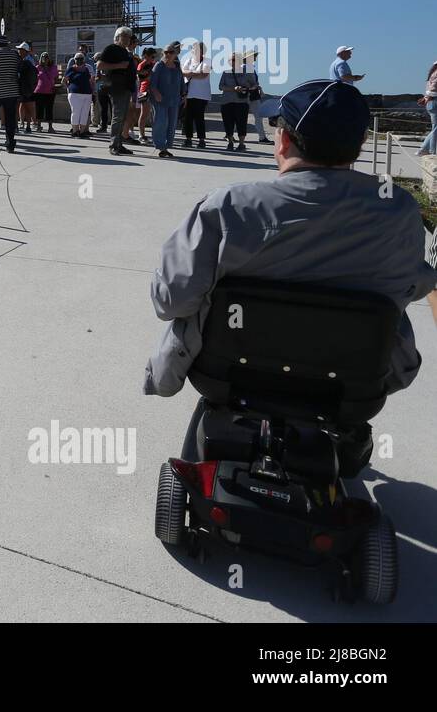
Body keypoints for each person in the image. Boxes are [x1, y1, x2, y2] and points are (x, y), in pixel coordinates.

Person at [143, 80, 437, 461]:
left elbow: (171, 299)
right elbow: (415, 285)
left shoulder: (230, 206)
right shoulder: (397, 209)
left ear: (283, 141)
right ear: (360, 144)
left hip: (227, 370)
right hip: (349, 379)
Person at [97, 27, 137, 155]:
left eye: (129, 37)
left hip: (126, 88)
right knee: (118, 116)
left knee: (123, 117)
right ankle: (113, 145)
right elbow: (99, 65)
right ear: (117, 36)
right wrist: (119, 66)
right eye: (124, 36)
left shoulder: (125, 52)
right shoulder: (112, 48)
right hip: (117, 87)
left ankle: (119, 144)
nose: (127, 39)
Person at [149, 41, 184, 158]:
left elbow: (181, 81)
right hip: (160, 99)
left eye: (171, 52)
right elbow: (152, 83)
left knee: (172, 123)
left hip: (174, 99)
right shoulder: (159, 65)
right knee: (161, 122)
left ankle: (167, 145)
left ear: (175, 54)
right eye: (166, 52)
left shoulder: (177, 66)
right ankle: (161, 146)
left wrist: (184, 94)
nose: (168, 54)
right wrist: (156, 93)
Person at [219, 56, 258, 151]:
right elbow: (221, 86)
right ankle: (230, 142)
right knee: (228, 123)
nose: (232, 62)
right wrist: (233, 89)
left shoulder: (247, 72)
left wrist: (246, 88)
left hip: (242, 102)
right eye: (231, 60)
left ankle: (241, 144)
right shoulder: (225, 72)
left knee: (241, 123)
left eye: (235, 60)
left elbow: (255, 84)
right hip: (227, 101)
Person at [180, 40, 212, 148]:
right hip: (189, 94)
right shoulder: (188, 60)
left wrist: (190, 74)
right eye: (194, 49)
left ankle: (201, 140)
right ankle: (188, 139)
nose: (195, 51)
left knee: (199, 117)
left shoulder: (207, 61)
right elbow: (182, 72)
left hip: (201, 95)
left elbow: (204, 74)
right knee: (187, 118)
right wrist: (195, 73)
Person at [64, 51, 95, 138]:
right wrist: (69, 88)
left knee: (85, 113)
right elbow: (64, 80)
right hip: (74, 94)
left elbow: (92, 81)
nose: (79, 60)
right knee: (76, 112)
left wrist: (93, 91)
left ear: (84, 60)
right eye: (77, 59)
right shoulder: (71, 69)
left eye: (81, 59)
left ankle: (82, 132)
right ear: (75, 60)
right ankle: (75, 131)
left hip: (87, 93)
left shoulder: (88, 69)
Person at [134, 47, 158, 144]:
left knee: (152, 114)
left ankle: (153, 134)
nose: (153, 58)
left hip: (152, 90)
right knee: (144, 113)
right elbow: (140, 78)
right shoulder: (142, 64)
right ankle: (141, 135)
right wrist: (149, 75)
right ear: (146, 56)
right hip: (143, 90)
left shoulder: (153, 64)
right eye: (152, 56)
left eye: (154, 57)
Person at [34, 52, 59, 133]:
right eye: (43, 57)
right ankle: (38, 126)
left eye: (46, 57)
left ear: (49, 58)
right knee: (39, 108)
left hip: (50, 91)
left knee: (49, 109)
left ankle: (50, 127)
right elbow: (34, 79)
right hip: (39, 91)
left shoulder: (53, 67)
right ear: (41, 58)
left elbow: (55, 77)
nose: (45, 58)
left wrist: (55, 86)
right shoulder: (38, 67)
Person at [16, 41, 37, 132]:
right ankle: (25, 125)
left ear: (25, 51)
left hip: (24, 88)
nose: (18, 51)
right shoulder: (26, 60)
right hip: (27, 88)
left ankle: (26, 125)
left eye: (20, 49)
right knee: (24, 107)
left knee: (24, 107)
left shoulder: (26, 61)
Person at [418, 58, 437, 155]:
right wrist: (428, 97)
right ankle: (430, 150)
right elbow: (433, 89)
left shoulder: (432, 73)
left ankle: (425, 149)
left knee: (435, 127)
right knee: (435, 127)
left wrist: (426, 98)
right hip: (434, 101)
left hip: (431, 103)